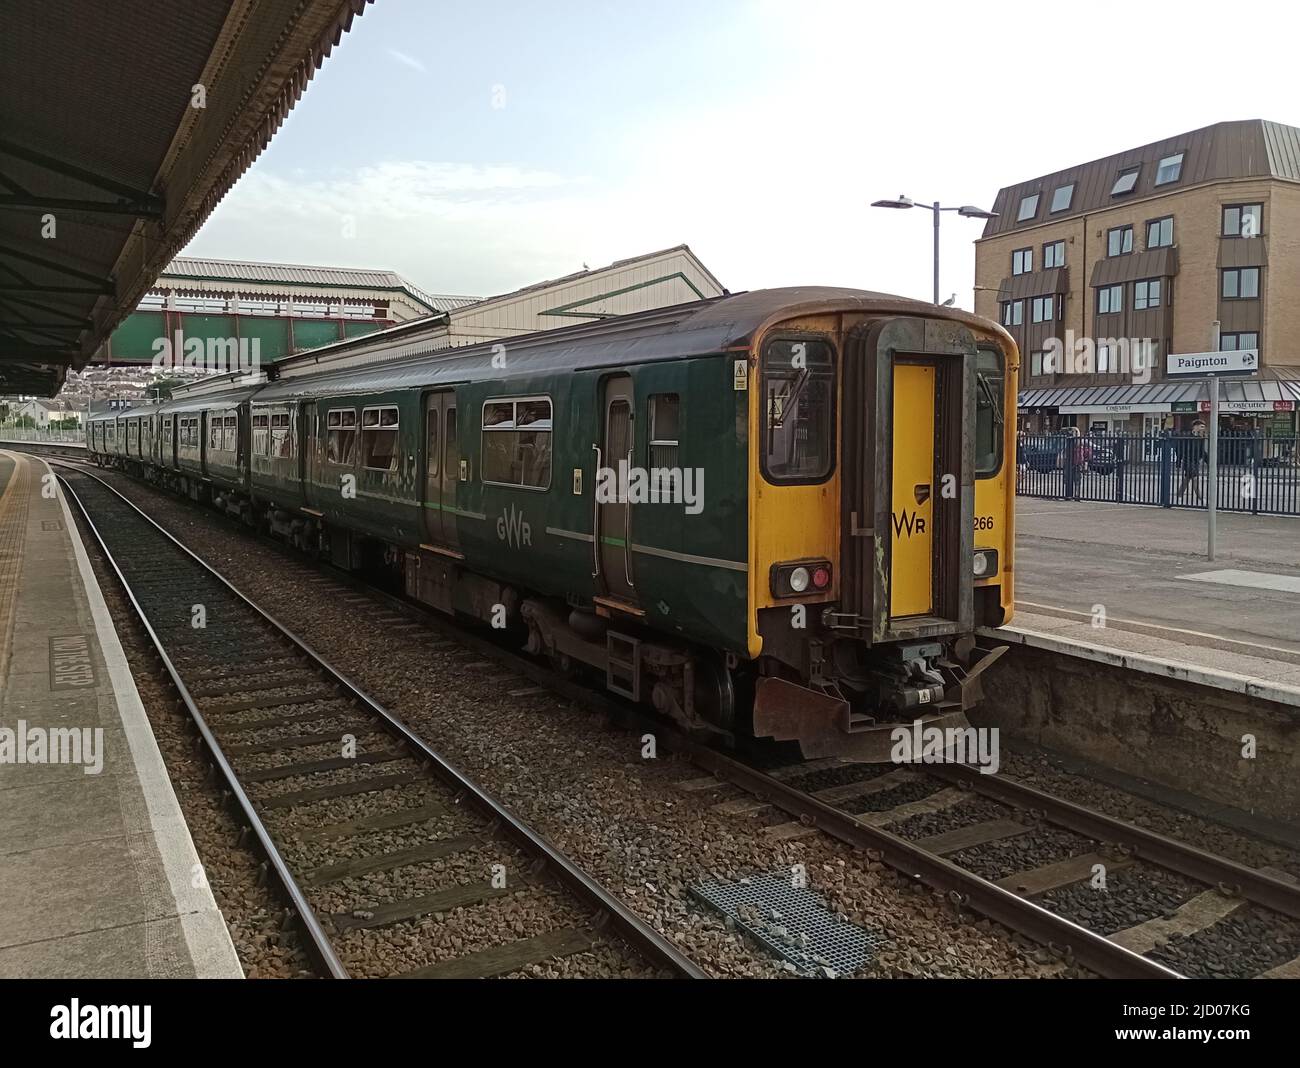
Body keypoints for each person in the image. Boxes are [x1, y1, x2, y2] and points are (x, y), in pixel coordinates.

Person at [1175, 420, 1209, 503]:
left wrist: (1209, 461)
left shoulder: (1201, 438)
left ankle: (1179, 495)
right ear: (1195, 426)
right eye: (1201, 427)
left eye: (1203, 427)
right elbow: (1180, 450)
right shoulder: (1187, 436)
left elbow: (1202, 452)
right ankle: (1200, 498)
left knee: (1187, 479)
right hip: (1187, 461)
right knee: (1195, 479)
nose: (1203, 429)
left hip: (1196, 461)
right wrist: (1178, 462)